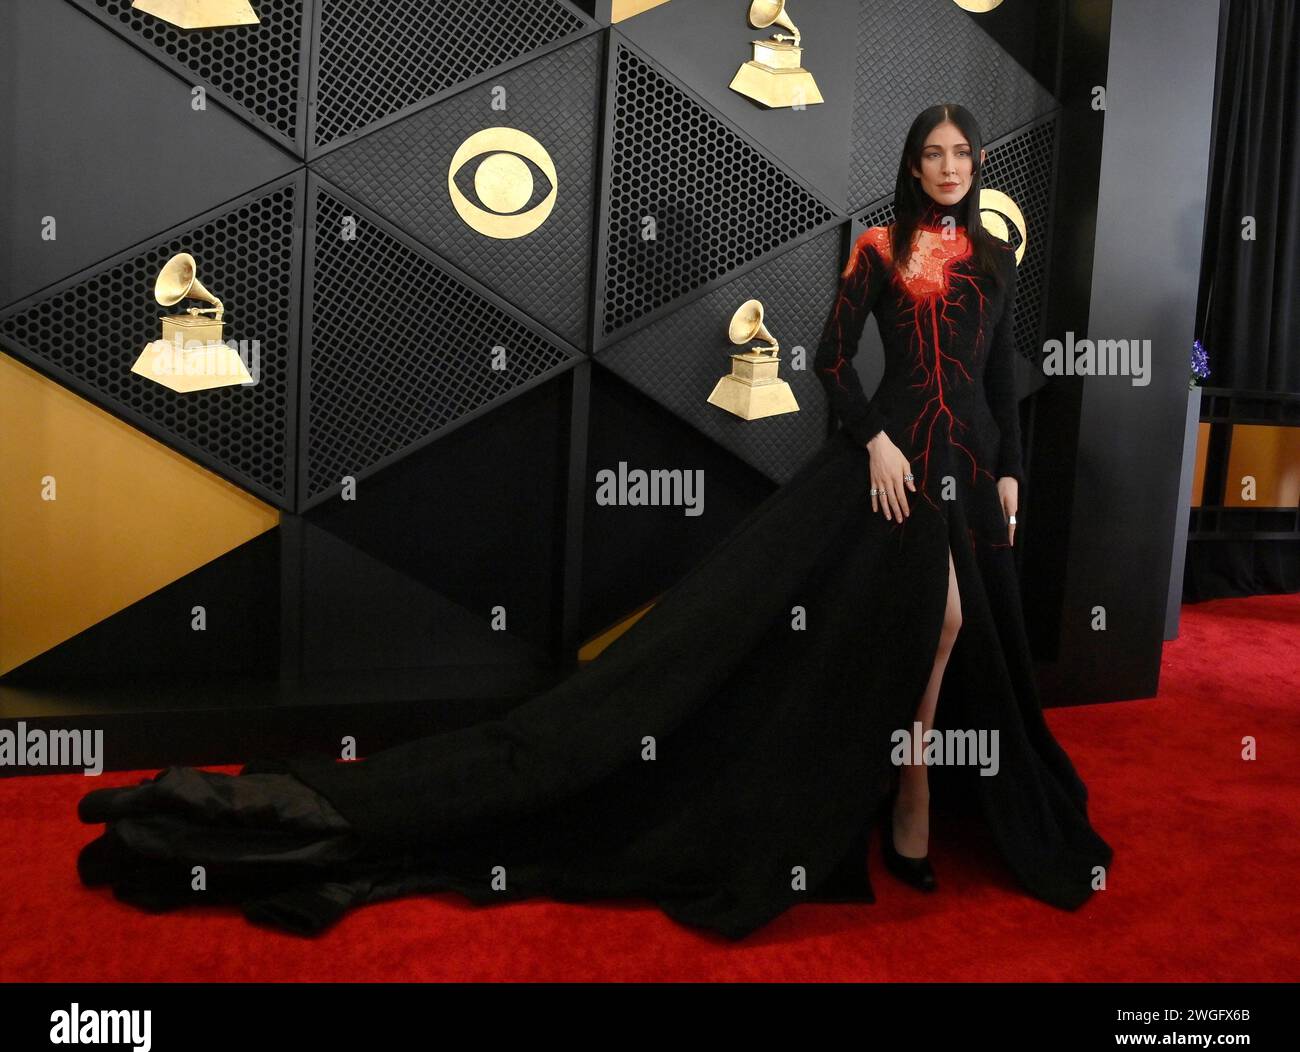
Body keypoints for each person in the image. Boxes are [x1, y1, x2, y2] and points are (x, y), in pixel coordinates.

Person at [76, 103, 1113, 940]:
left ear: (973, 166)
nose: (944, 164)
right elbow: (832, 363)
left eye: (958, 152)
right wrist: (875, 440)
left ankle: (911, 786)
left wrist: (1014, 475)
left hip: (973, 468)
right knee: (923, 624)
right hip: (889, 467)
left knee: (950, 628)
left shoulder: (994, 255)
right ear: (911, 162)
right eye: (930, 151)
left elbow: (996, 371)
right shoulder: (877, 249)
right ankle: (908, 793)